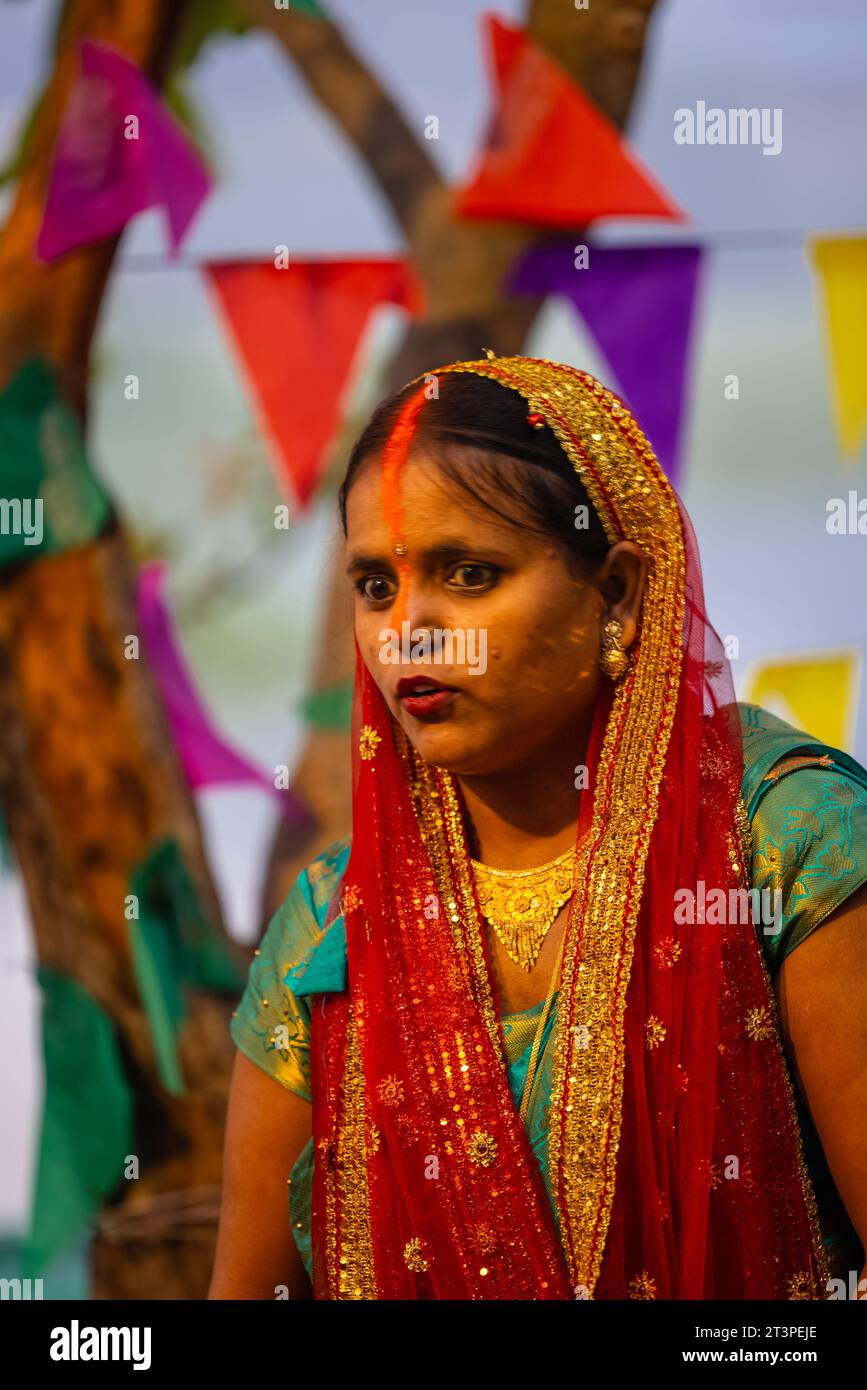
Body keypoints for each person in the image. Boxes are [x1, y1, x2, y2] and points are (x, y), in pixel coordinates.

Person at [209, 355, 867, 1300]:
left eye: (469, 574)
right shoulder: (329, 929)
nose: (411, 633)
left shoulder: (783, 843)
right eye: (374, 587)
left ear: (620, 595)